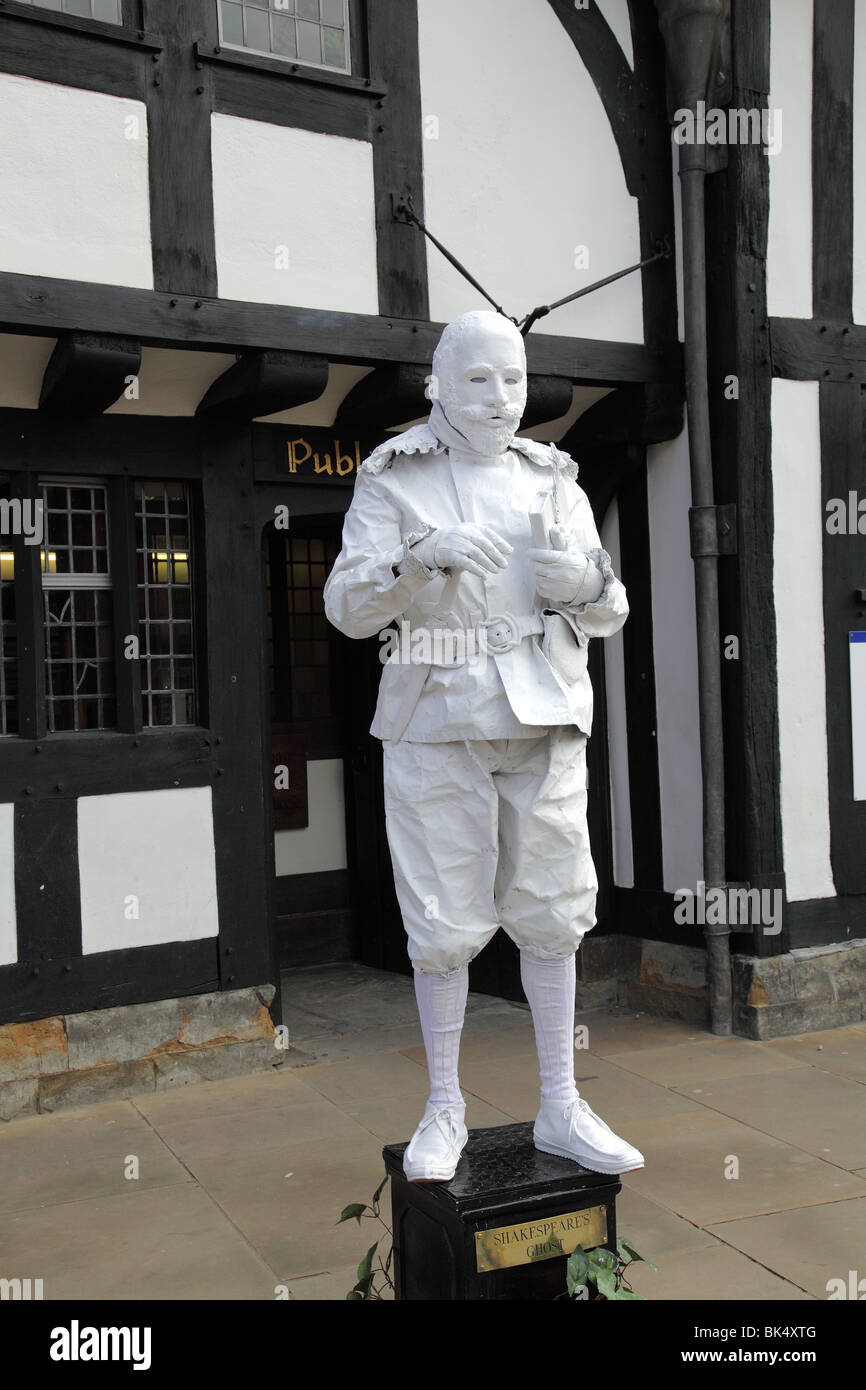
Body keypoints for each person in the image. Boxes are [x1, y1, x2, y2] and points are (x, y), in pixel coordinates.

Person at [324, 310, 644, 1181]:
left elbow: (610, 608)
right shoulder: (393, 479)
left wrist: (587, 582)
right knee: (441, 921)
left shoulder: (554, 480)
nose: (502, 399)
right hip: (437, 721)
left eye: (514, 378)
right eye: (479, 379)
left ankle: (560, 1102)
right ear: (437, 383)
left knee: (554, 912)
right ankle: (443, 1107)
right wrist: (419, 561)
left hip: (544, 719)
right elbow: (347, 609)